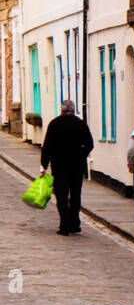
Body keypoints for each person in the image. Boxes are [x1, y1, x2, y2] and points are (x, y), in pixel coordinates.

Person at [40, 99, 94, 236]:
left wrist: (44, 165)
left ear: (62, 110)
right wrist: (82, 155)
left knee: (61, 196)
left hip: (59, 166)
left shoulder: (54, 124)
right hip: (77, 166)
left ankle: (64, 225)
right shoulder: (81, 124)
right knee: (75, 195)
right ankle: (74, 224)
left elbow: (47, 147)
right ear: (74, 110)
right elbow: (89, 144)